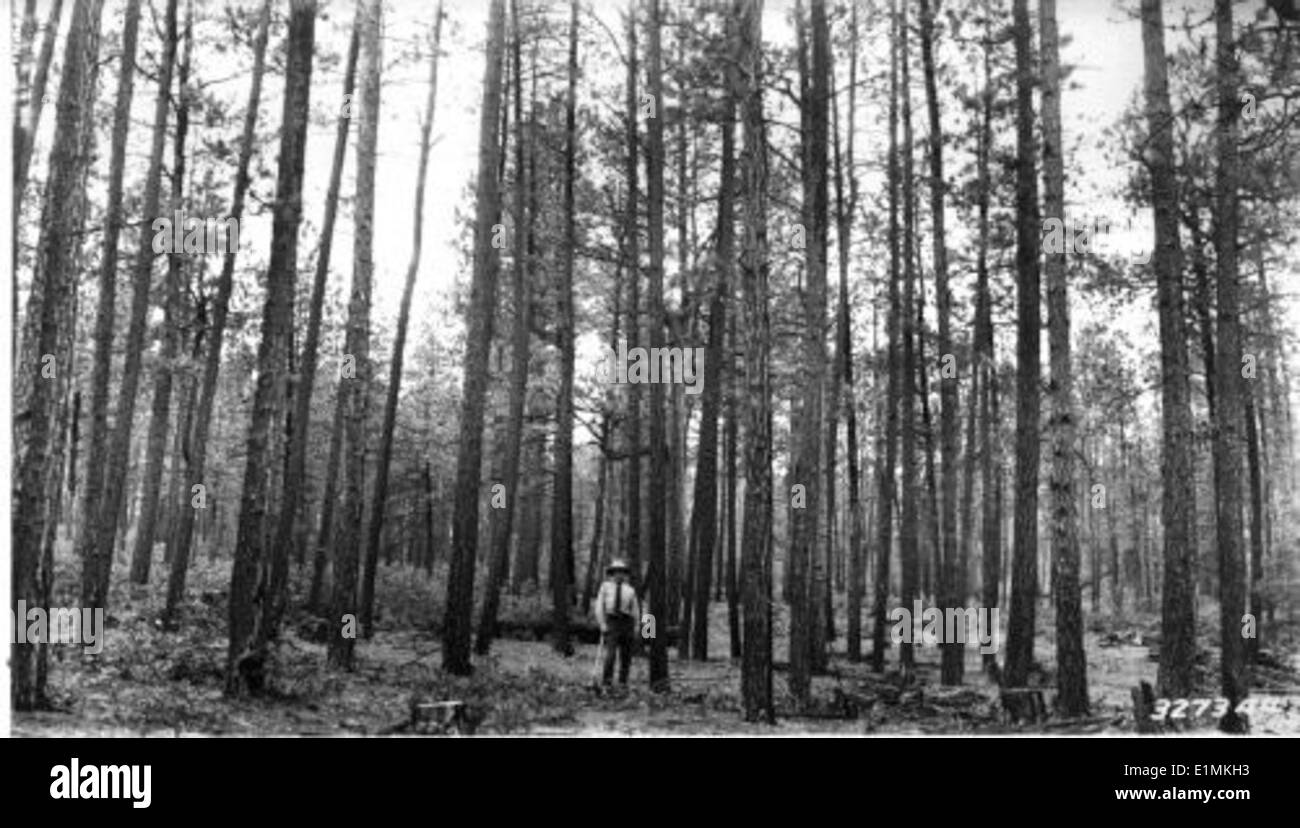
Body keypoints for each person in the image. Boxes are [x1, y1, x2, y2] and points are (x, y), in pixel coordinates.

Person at [593, 559, 640, 687]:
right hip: (612, 621)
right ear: (612, 573)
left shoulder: (630, 590)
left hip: (626, 622)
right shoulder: (605, 586)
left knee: (626, 656)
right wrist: (602, 623)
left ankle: (622, 683)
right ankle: (606, 683)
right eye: (617, 572)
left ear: (625, 574)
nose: (619, 575)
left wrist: (636, 627)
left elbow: (635, 610)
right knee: (610, 655)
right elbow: (598, 606)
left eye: (622, 572)